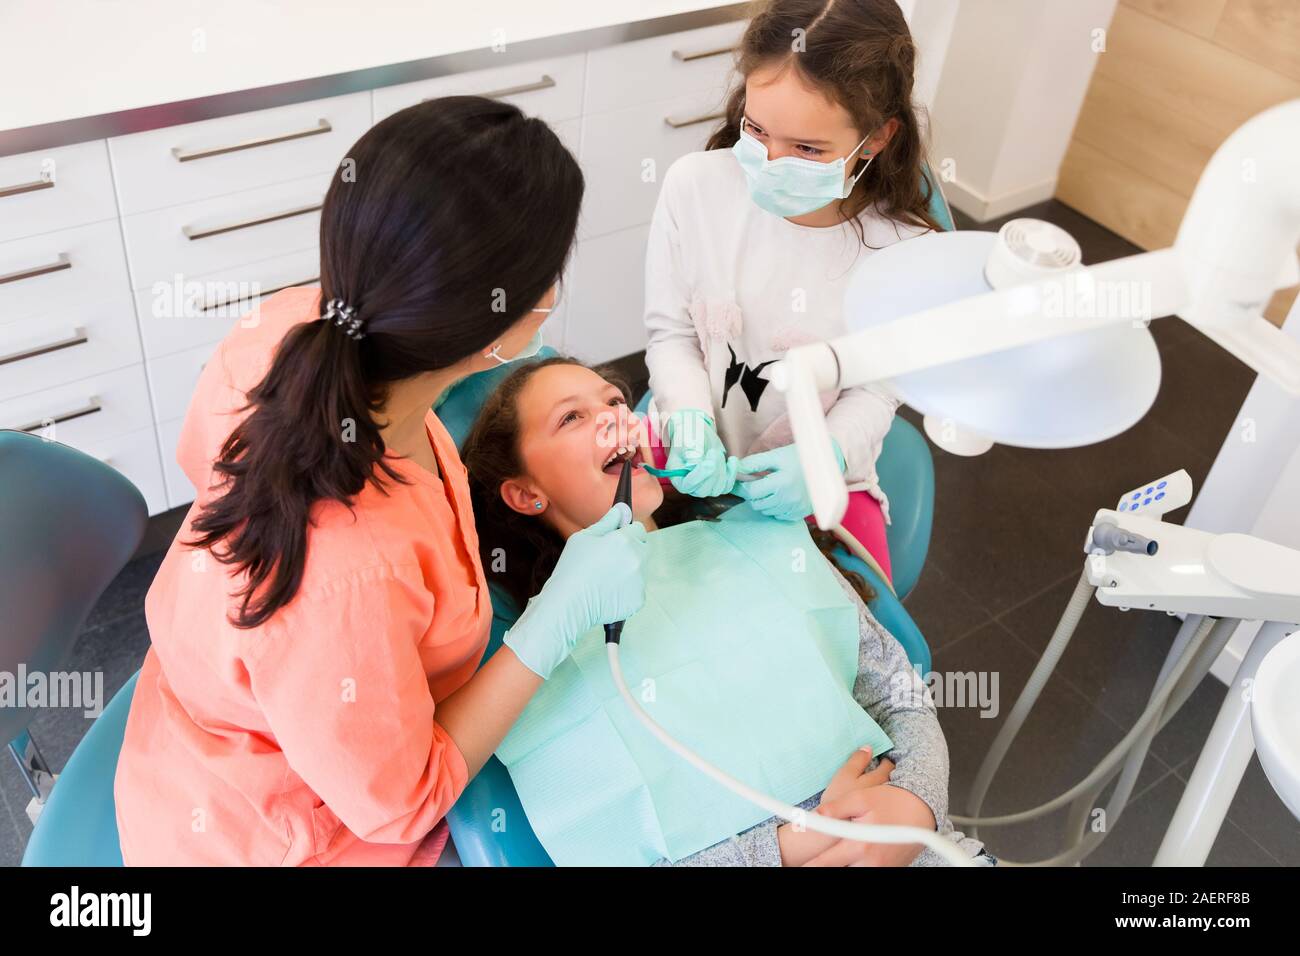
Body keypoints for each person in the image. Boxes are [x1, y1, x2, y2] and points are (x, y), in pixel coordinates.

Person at [113, 97, 648, 866]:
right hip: (277, 826)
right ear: (502, 325)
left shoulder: (287, 329)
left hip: (216, 705)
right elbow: (402, 803)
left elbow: (210, 479)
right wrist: (553, 622)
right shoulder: (352, 577)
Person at [462, 356, 994, 866]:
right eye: (572, 417)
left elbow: (898, 696)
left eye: (614, 401)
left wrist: (918, 803)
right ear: (525, 493)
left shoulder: (761, 540)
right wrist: (800, 842)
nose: (611, 418)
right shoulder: (538, 664)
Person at [645, 0, 942, 583]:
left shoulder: (904, 253)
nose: (771, 162)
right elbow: (673, 334)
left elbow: (876, 393)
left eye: (807, 149)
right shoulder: (695, 189)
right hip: (694, 442)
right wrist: (685, 418)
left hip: (826, 471)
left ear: (877, 138)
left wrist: (822, 461)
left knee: (850, 637)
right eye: (756, 131)